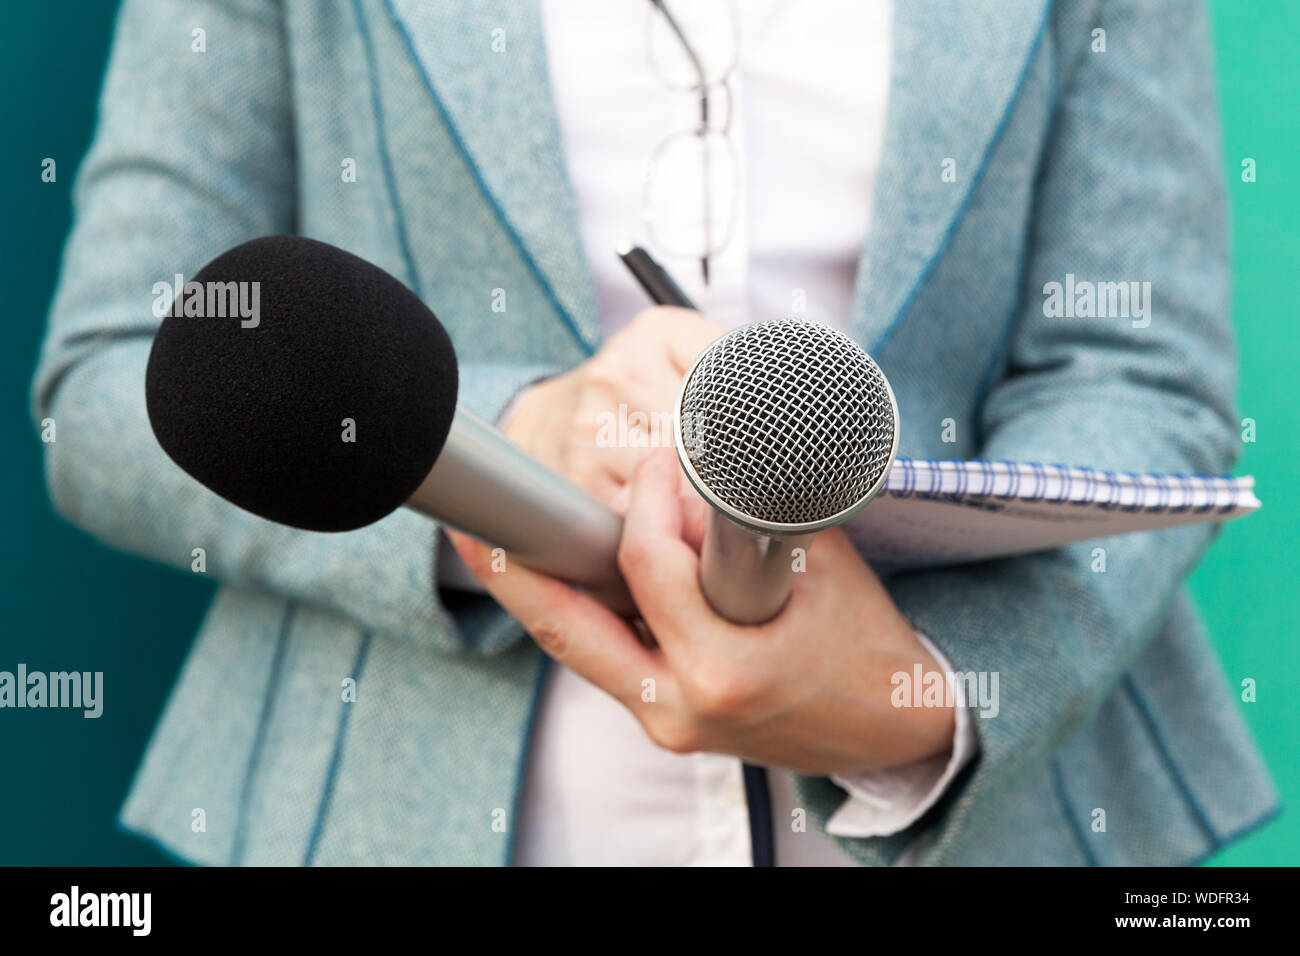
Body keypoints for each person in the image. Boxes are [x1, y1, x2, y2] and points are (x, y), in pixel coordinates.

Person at [32, 0, 1276, 865]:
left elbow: (1141, 375)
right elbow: (111, 382)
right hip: (388, 805)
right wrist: (519, 438)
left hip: (998, 819)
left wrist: (919, 701)